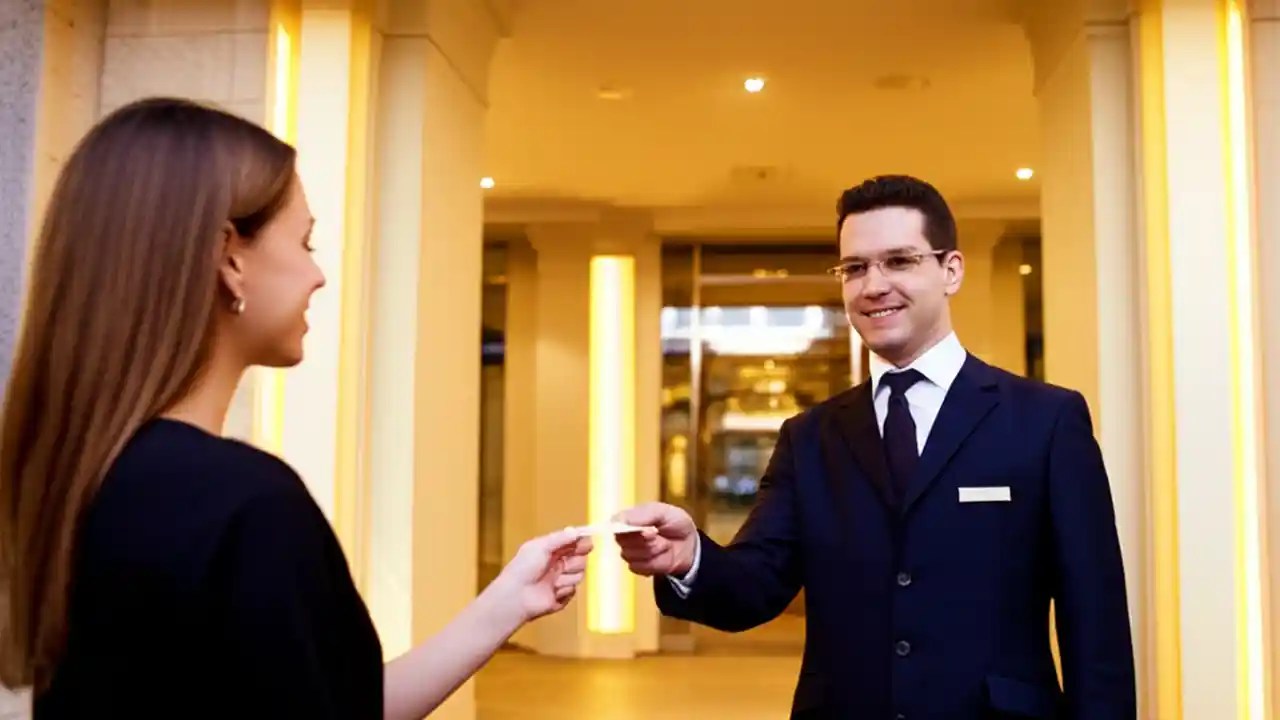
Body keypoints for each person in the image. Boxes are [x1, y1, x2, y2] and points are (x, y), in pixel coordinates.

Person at [0, 97, 592, 719]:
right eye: (305, 241)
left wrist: (506, 604)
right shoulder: (245, 502)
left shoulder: (86, 478)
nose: (318, 275)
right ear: (229, 258)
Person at [615, 175, 1135, 719]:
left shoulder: (1045, 421)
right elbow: (756, 584)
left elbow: (1094, 621)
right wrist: (689, 559)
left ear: (951, 270)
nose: (873, 285)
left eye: (899, 261)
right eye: (855, 268)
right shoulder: (810, 437)